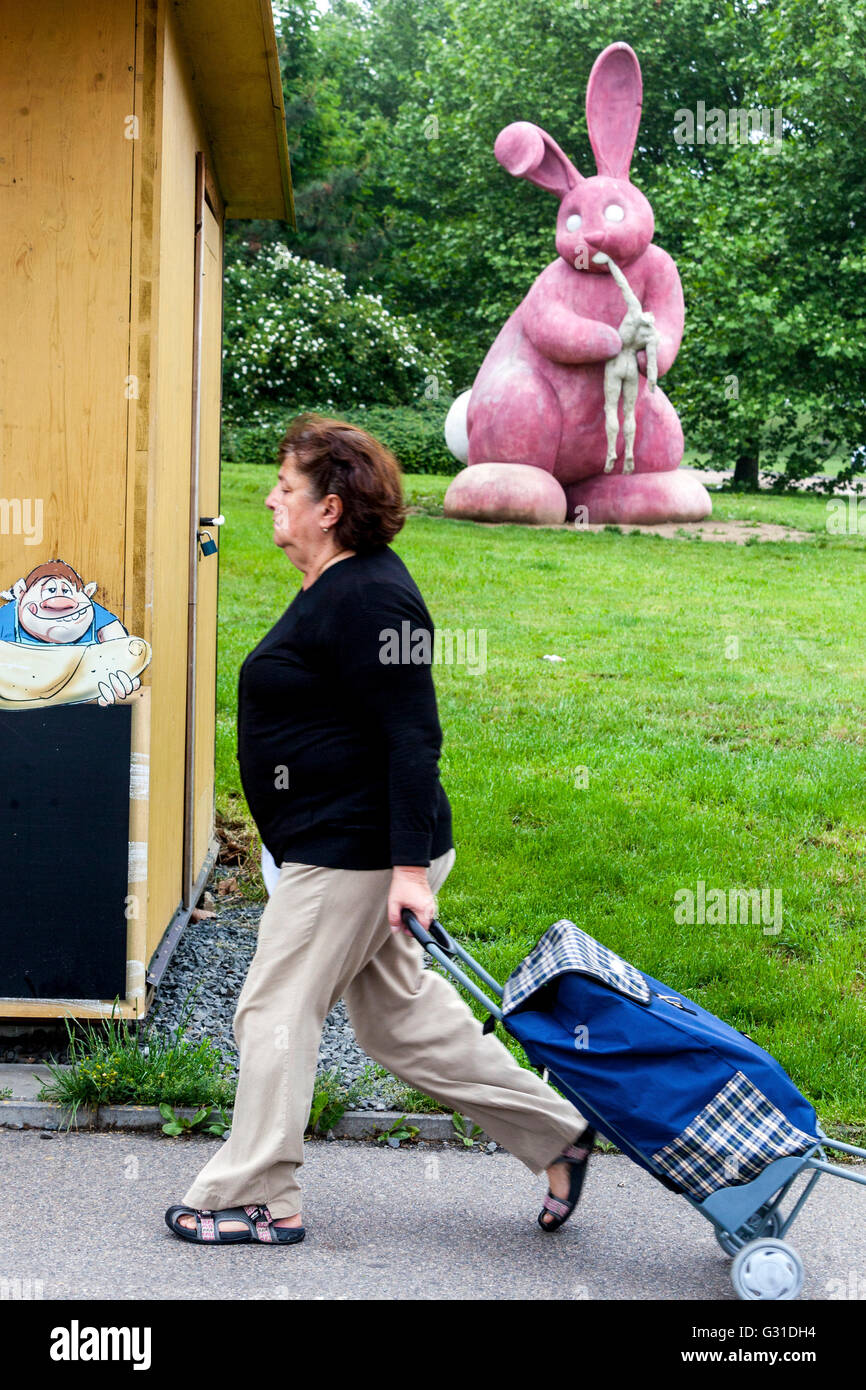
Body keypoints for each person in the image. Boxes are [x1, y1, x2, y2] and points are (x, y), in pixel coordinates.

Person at [165, 414, 595, 1246]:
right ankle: (558, 1135)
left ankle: (258, 1195)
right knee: (397, 1021)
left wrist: (404, 873)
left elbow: (413, 737)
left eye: (285, 488)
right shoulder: (337, 585)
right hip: (341, 847)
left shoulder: (373, 596)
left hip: (359, 852)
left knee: (275, 1010)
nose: (269, 499)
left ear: (329, 506)